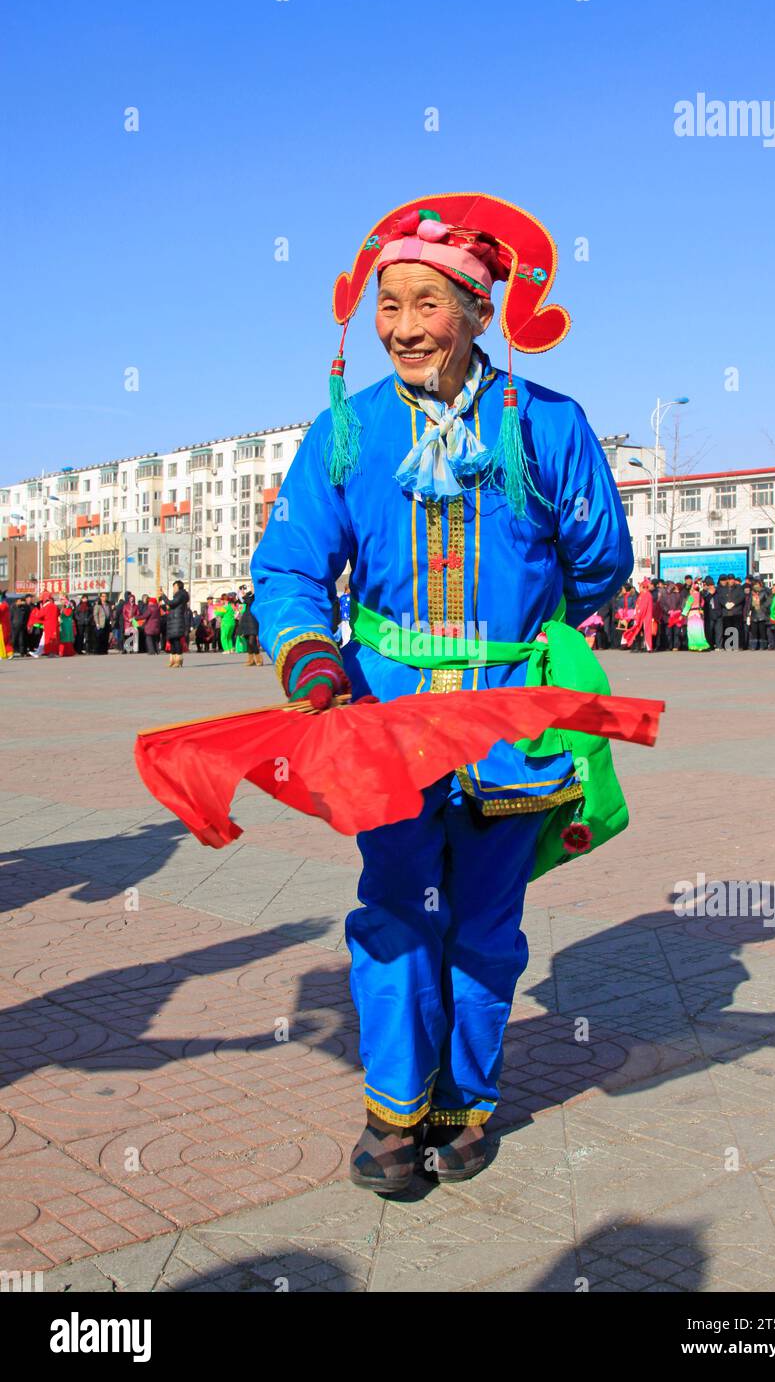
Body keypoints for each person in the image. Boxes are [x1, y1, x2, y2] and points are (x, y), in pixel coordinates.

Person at [250, 192, 633, 1191]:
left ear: (476, 310)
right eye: (388, 304)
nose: (403, 327)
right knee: (393, 906)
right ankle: (393, 1111)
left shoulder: (548, 426)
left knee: (486, 920)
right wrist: (312, 658)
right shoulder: (345, 434)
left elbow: (599, 560)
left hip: (511, 717)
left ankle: (466, 1102)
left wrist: (536, 635)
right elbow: (289, 568)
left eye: (426, 303)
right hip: (385, 721)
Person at [621, 578, 655, 651]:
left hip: (644, 617)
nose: (639, 588)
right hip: (641, 616)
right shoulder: (642, 594)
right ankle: (639, 647)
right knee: (638, 632)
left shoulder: (646, 595)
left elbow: (643, 607)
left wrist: (638, 616)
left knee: (641, 631)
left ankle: (644, 647)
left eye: (640, 586)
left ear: (643, 587)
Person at [164, 580, 190, 667]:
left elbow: (172, 603)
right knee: (172, 640)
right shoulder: (178, 596)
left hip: (177, 621)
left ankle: (178, 660)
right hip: (173, 621)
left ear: (179, 587)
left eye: (174, 587)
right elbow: (172, 605)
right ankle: (173, 660)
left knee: (176, 640)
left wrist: (163, 596)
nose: (173, 589)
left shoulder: (181, 595)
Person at [682, 581, 710, 651]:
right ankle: (702, 645)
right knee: (700, 630)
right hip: (699, 614)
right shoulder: (700, 596)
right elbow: (702, 604)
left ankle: (694, 645)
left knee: (692, 631)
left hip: (692, 614)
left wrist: (683, 614)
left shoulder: (691, 596)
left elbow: (687, 606)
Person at [238, 590, 263, 666]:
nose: (251, 586)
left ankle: (259, 659)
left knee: (252, 641)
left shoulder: (257, 595)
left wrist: (245, 595)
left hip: (253, 620)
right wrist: (244, 594)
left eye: (252, 584)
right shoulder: (249, 595)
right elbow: (241, 602)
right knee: (249, 642)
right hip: (246, 620)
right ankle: (250, 660)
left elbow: (249, 602)